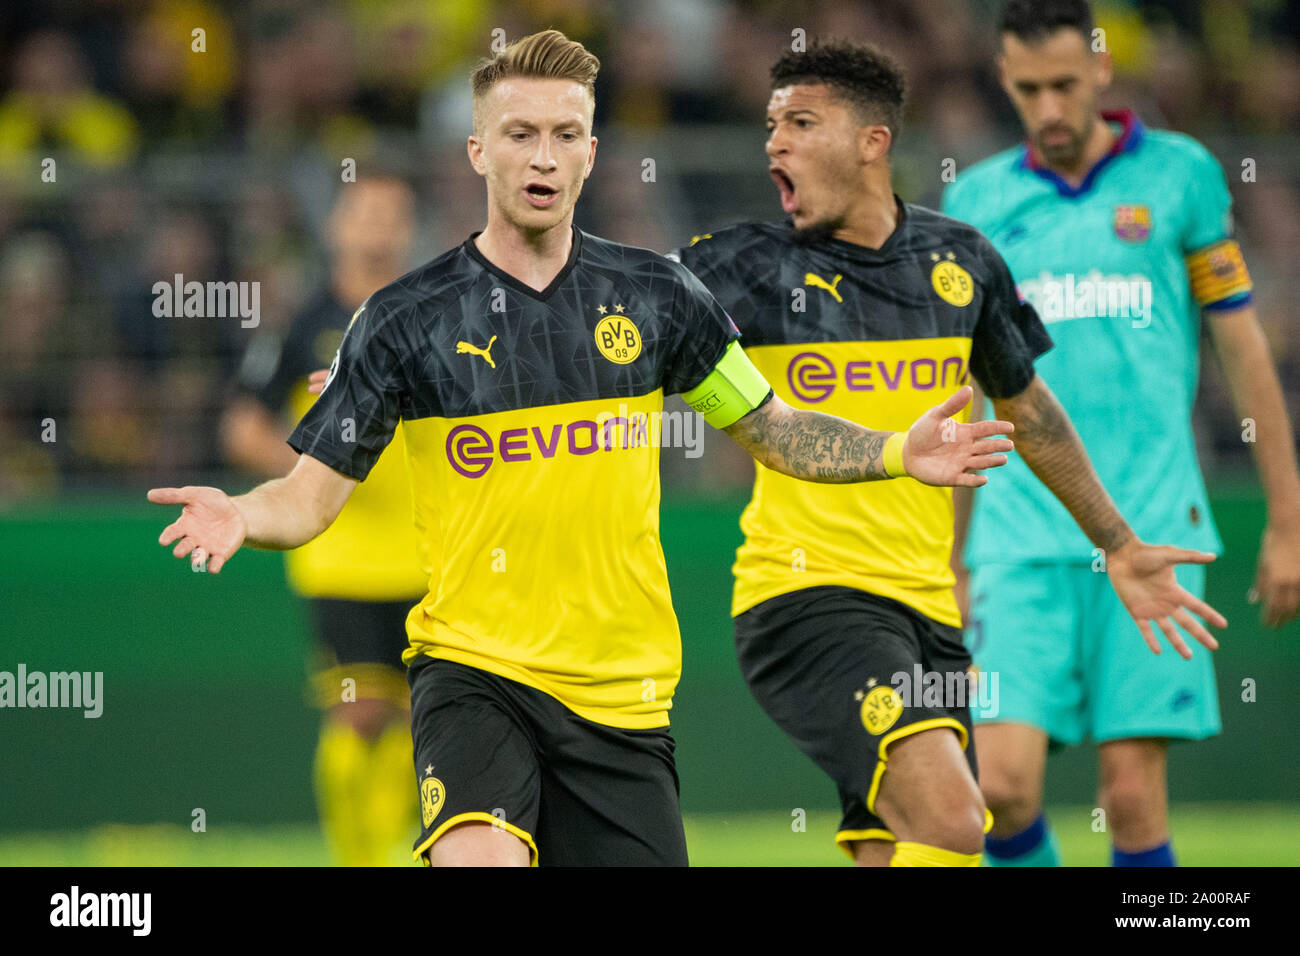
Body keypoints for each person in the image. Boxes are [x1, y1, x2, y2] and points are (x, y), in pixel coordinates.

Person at [149, 29, 1015, 868]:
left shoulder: (658, 298)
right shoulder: (405, 320)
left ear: (592, 154)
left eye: (565, 135)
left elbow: (775, 429)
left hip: (621, 699)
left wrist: (898, 450)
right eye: (520, 135)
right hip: (472, 672)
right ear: (478, 152)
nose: (543, 157)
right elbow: (307, 499)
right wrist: (242, 512)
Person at [675, 38, 1226, 867]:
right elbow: (618, 329)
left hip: (928, 616)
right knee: (956, 822)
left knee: (893, 848)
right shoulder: (739, 268)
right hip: (809, 599)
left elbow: (1030, 412)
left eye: (799, 122)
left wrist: (1116, 542)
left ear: (873, 142)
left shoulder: (960, 261)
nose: (773, 143)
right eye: (769, 125)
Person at [941, 0, 1300, 867]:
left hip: (1152, 526)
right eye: (1029, 89)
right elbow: (963, 384)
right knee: (998, 788)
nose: (1050, 108)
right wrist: (952, 549)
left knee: (1131, 798)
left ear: (1102, 68)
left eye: (1065, 83)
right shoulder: (977, 197)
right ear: (1005, 82)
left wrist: (1288, 522)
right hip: (1019, 536)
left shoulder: (1182, 177)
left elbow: (1244, 346)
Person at [220, 174, 425, 866]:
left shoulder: (429, 315)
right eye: (364, 212)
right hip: (335, 551)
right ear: (336, 226)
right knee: (360, 713)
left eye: (392, 215)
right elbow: (242, 426)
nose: (378, 228)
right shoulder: (303, 323)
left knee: (419, 718)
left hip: (429, 549)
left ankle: (388, 849)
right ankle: (355, 856)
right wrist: (321, 460)